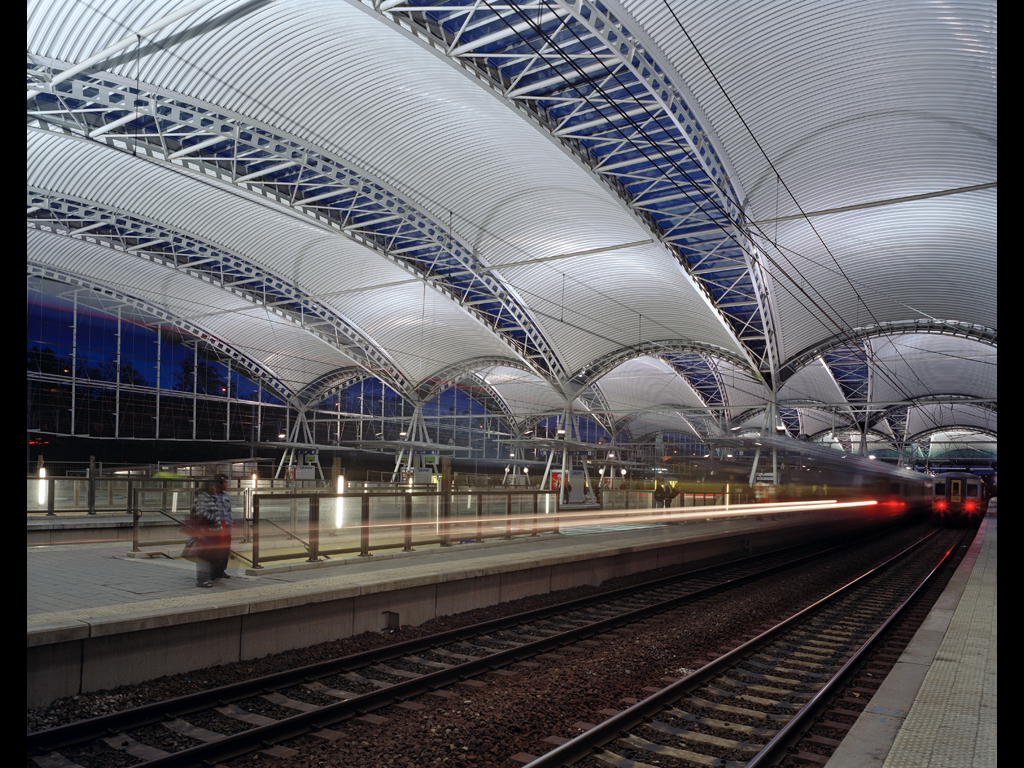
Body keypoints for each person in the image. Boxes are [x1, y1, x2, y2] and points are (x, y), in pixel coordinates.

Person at [187, 478, 223, 588]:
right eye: (214, 487)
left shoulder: (209, 498)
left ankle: (209, 576)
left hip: (211, 533)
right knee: (204, 556)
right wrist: (214, 520)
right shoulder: (203, 498)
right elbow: (201, 513)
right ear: (209, 487)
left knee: (210, 555)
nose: (215, 489)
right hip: (205, 532)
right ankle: (202, 580)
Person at [209, 473, 233, 580]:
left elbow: (229, 511)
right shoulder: (210, 495)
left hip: (226, 527)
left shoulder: (227, 496)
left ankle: (221, 570)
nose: (227, 485)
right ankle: (212, 571)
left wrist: (230, 524)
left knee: (225, 549)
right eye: (226, 482)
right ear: (220, 483)